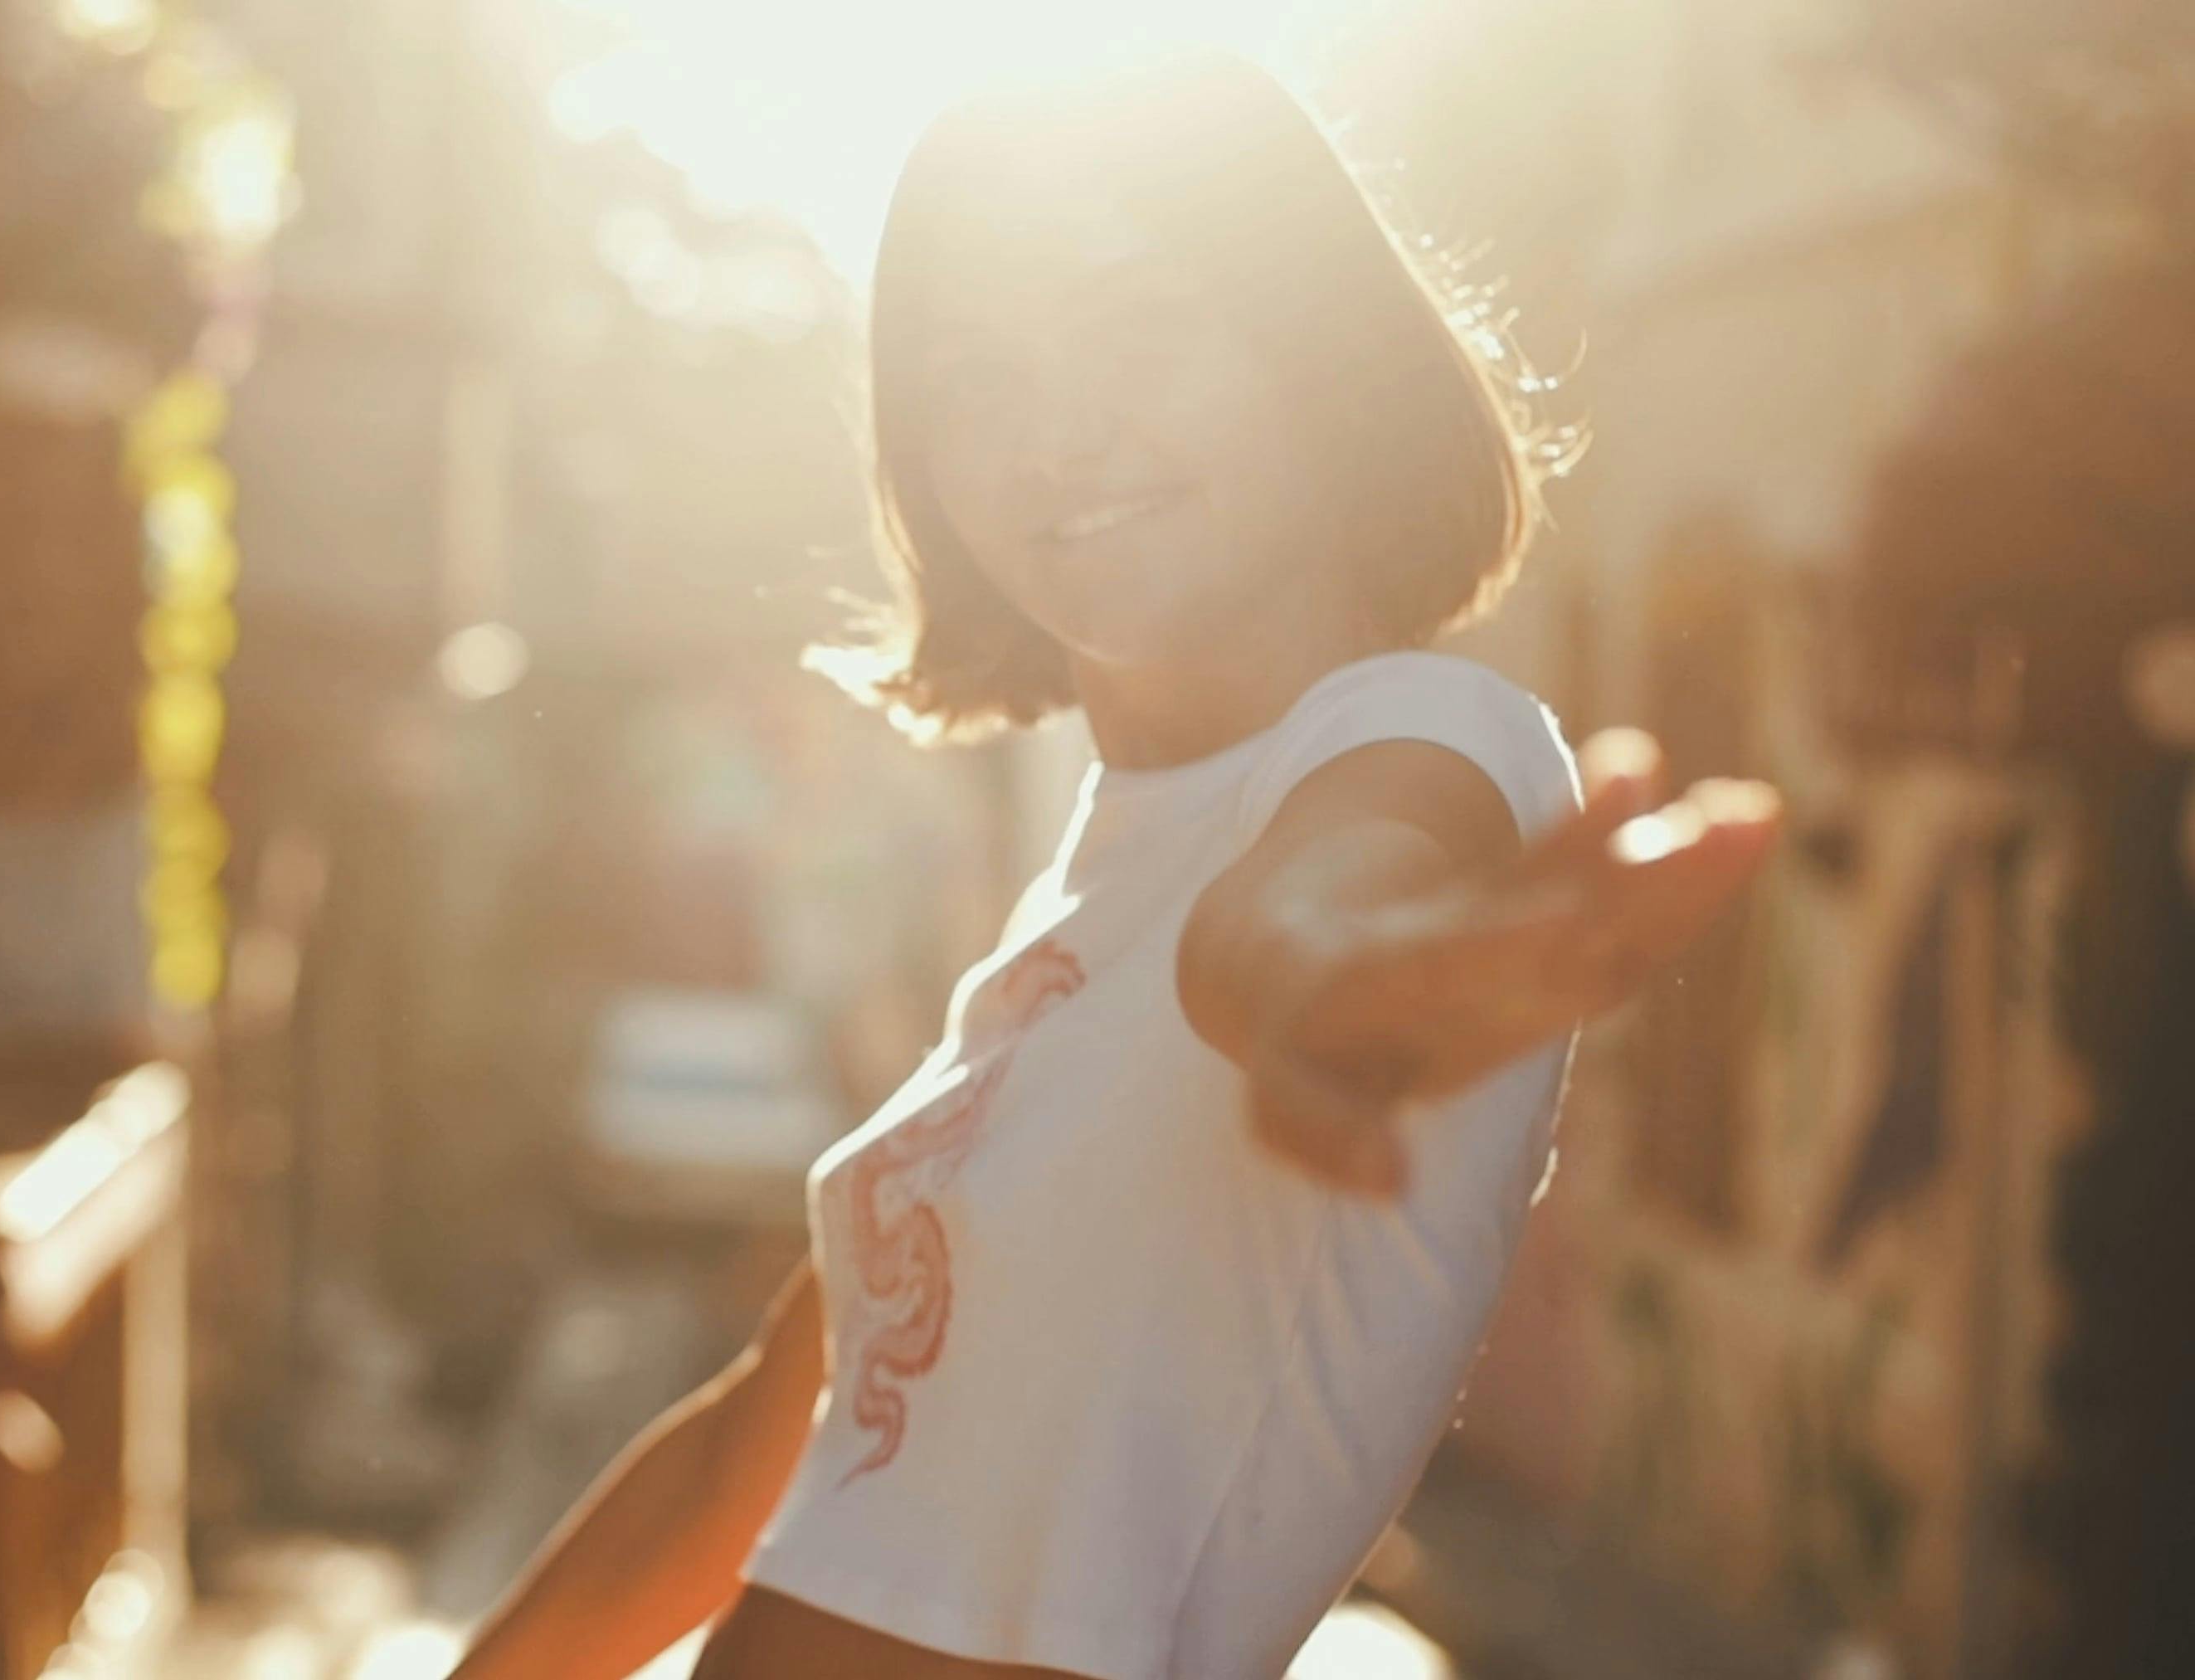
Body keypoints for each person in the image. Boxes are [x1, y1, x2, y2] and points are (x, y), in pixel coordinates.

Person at [449, 54, 1780, 1680]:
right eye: (977, 375)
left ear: (1321, 351)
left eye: (1141, 326)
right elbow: (764, 1439)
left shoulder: (1427, 739)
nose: (1058, 431)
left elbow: (1288, 928)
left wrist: (1351, 999)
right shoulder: (1083, 890)